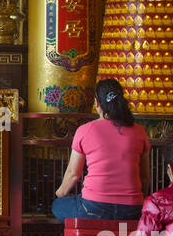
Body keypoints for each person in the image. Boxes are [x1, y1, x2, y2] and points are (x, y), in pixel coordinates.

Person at [52, 78, 151, 222]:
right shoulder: (139, 131)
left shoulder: (85, 130)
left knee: (58, 205)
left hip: (94, 208)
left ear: (97, 103)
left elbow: (73, 174)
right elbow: (145, 177)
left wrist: (60, 193)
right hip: (132, 210)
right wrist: (139, 201)